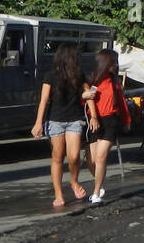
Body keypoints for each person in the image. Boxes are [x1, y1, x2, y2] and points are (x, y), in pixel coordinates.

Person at [32, 43, 91, 208]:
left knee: (73, 156)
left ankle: (74, 181)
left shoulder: (79, 76)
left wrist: (89, 98)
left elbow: (89, 93)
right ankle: (58, 193)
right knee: (57, 157)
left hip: (74, 119)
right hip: (55, 120)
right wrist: (38, 123)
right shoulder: (50, 76)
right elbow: (43, 101)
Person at [82, 49, 131, 205]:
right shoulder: (94, 82)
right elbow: (87, 101)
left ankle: (96, 192)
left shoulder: (114, 82)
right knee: (91, 160)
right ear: (105, 63)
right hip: (94, 121)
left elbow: (122, 104)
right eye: (113, 62)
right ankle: (99, 183)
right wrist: (85, 97)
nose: (115, 65)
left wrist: (127, 120)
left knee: (101, 157)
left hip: (110, 121)